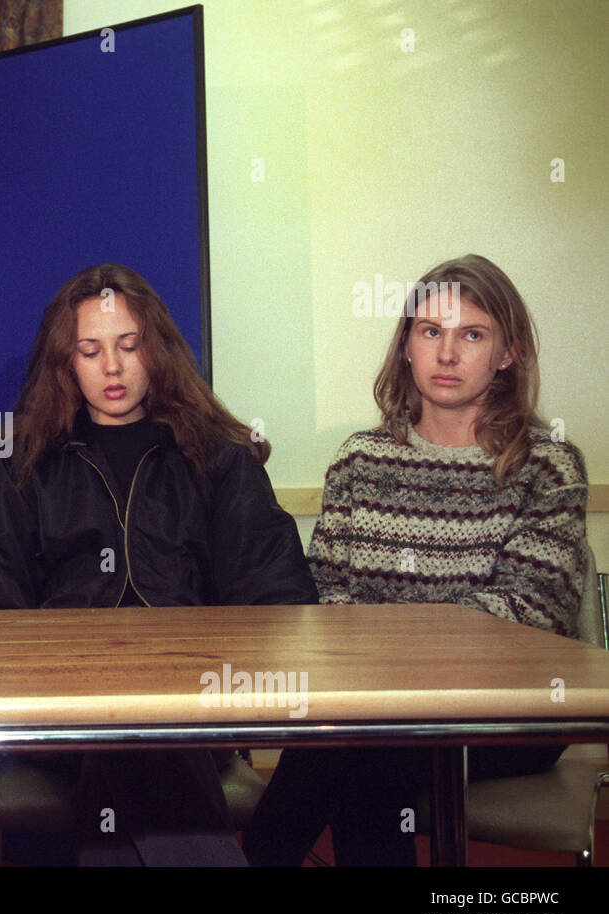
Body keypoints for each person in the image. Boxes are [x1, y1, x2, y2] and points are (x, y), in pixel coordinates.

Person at [244, 254, 589, 866]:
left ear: (508, 354)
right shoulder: (360, 461)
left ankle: (261, 855)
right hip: (374, 712)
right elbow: (324, 604)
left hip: (508, 714)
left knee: (359, 752)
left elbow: (527, 615)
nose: (447, 354)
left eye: (472, 335)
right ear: (407, 345)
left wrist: (387, 656)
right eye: (431, 332)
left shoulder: (548, 466)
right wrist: (391, 672)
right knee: (364, 750)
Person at [0, 263, 317, 864]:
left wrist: (210, 679)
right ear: (65, 362)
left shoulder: (219, 459)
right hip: (61, 709)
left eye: (129, 345)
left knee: (144, 736)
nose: (112, 367)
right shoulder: (21, 467)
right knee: (127, 732)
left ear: (156, 352)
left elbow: (277, 599)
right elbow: (0, 614)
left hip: (193, 703)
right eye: (90, 349)